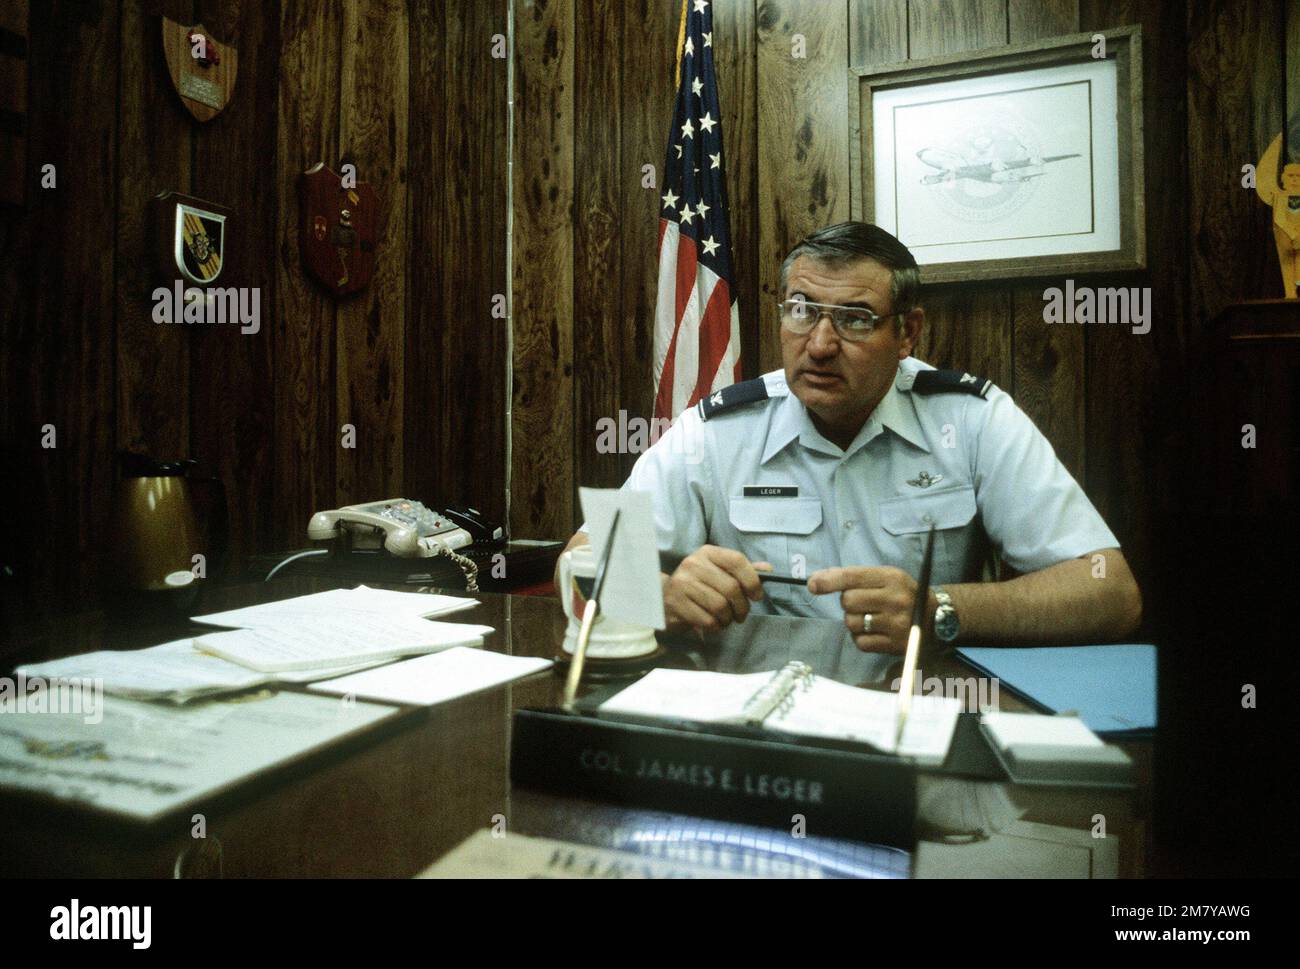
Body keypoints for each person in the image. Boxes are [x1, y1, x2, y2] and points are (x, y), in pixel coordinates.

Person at [562, 222, 1141, 654]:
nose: (819, 344)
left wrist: (937, 607)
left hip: (915, 709)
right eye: (801, 310)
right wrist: (656, 592)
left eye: (855, 318)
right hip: (754, 720)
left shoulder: (972, 419)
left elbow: (1109, 593)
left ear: (907, 332)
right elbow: (581, 556)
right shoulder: (716, 431)